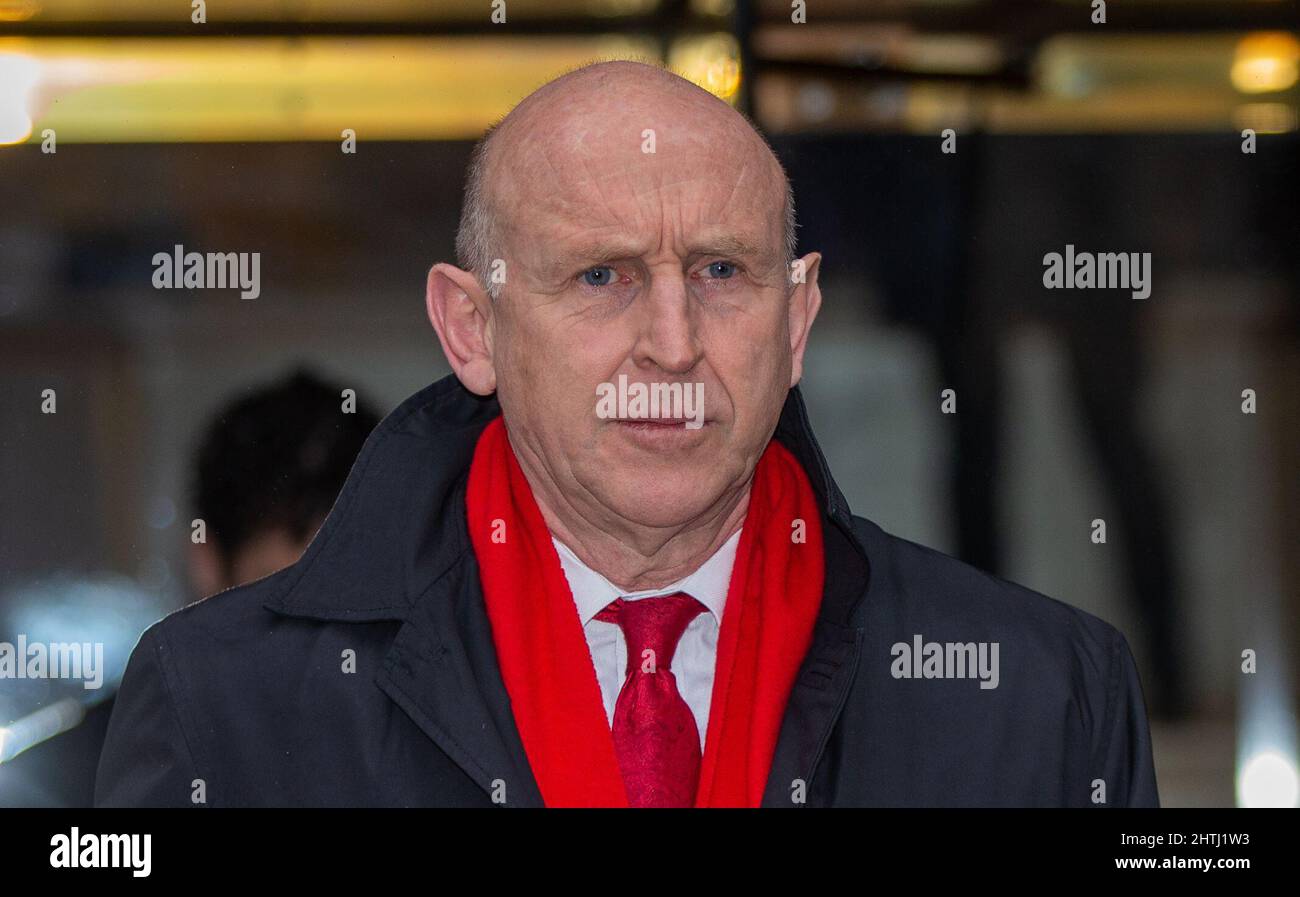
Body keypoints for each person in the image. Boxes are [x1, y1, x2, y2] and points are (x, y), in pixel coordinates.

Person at [95, 61, 1158, 807]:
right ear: (471, 328)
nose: (672, 344)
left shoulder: (1046, 696)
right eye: (601, 276)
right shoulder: (222, 708)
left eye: (720, 271)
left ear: (796, 322)